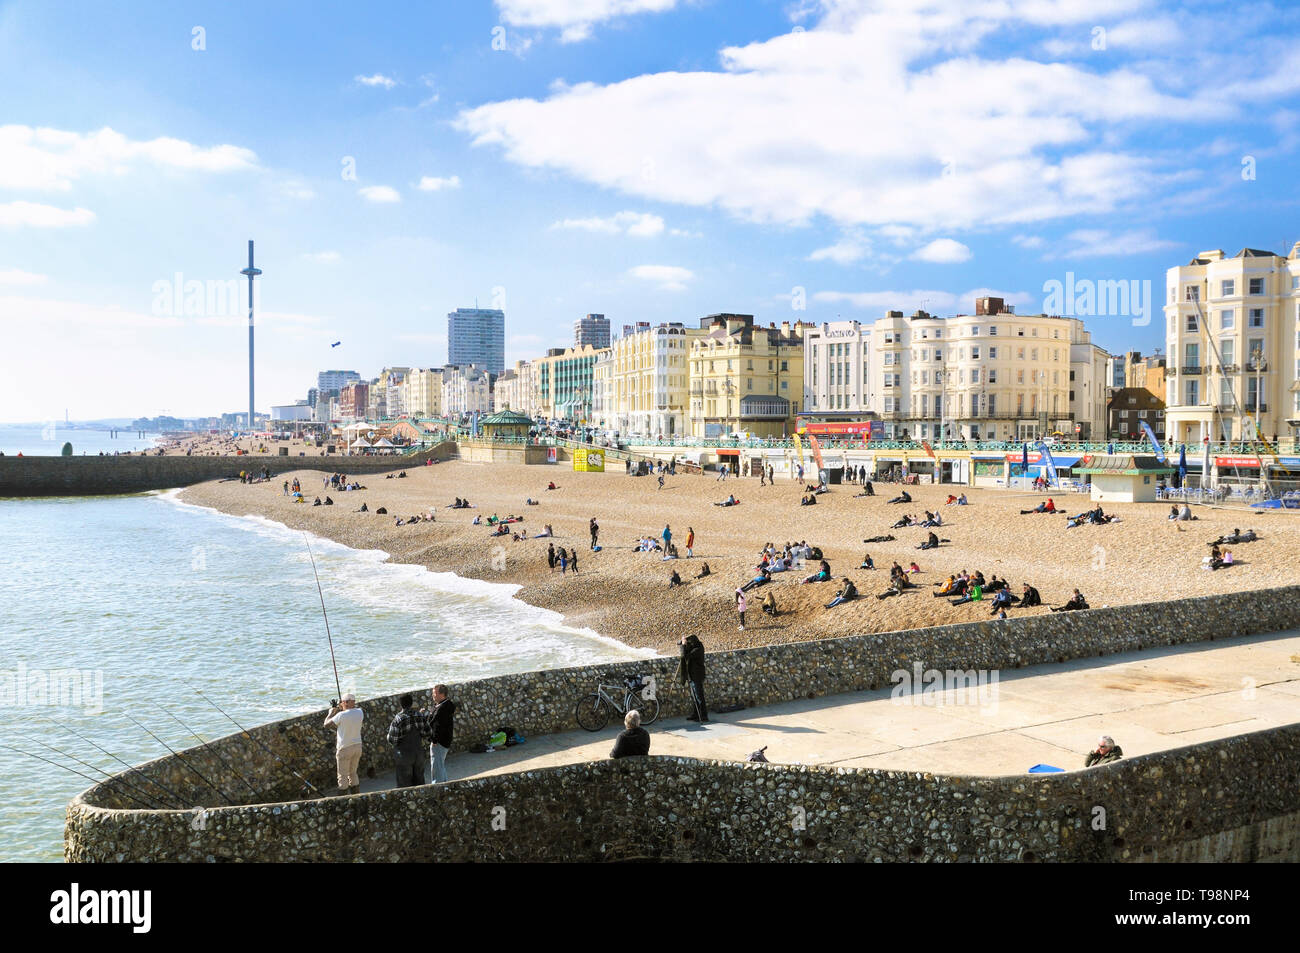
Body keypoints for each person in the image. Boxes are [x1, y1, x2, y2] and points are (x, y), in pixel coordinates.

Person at [323, 693, 364, 796]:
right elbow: (349, 715)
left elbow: (326, 725)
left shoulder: (341, 715)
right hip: (357, 747)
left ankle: (342, 801)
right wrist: (342, 709)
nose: (341, 703)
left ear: (345, 702)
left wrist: (331, 712)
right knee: (353, 773)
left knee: (342, 776)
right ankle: (356, 797)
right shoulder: (360, 712)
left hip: (344, 748)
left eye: (342, 702)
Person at [386, 693, 430, 788]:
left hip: (404, 755)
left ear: (400, 704)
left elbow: (392, 740)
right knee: (420, 782)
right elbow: (428, 732)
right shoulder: (419, 715)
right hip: (419, 753)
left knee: (404, 785)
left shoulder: (398, 719)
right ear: (411, 703)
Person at [427, 684, 455, 783]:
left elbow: (439, 726)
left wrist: (434, 740)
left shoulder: (442, 708)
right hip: (444, 741)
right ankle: (444, 787)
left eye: (434, 693)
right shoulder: (445, 705)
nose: (433, 695)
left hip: (439, 742)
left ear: (441, 694)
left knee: (437, 767)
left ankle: (438, 789)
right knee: (440, 766)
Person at [678, 634, 708, 721]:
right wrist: (683, 644)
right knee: (694, 696)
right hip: (692, 675)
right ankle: (696, 714)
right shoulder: (696, 647)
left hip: (697, 676)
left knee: (699, 696)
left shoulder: (697, 649)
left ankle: (703, 716)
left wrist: (683, 645)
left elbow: (684, 656)